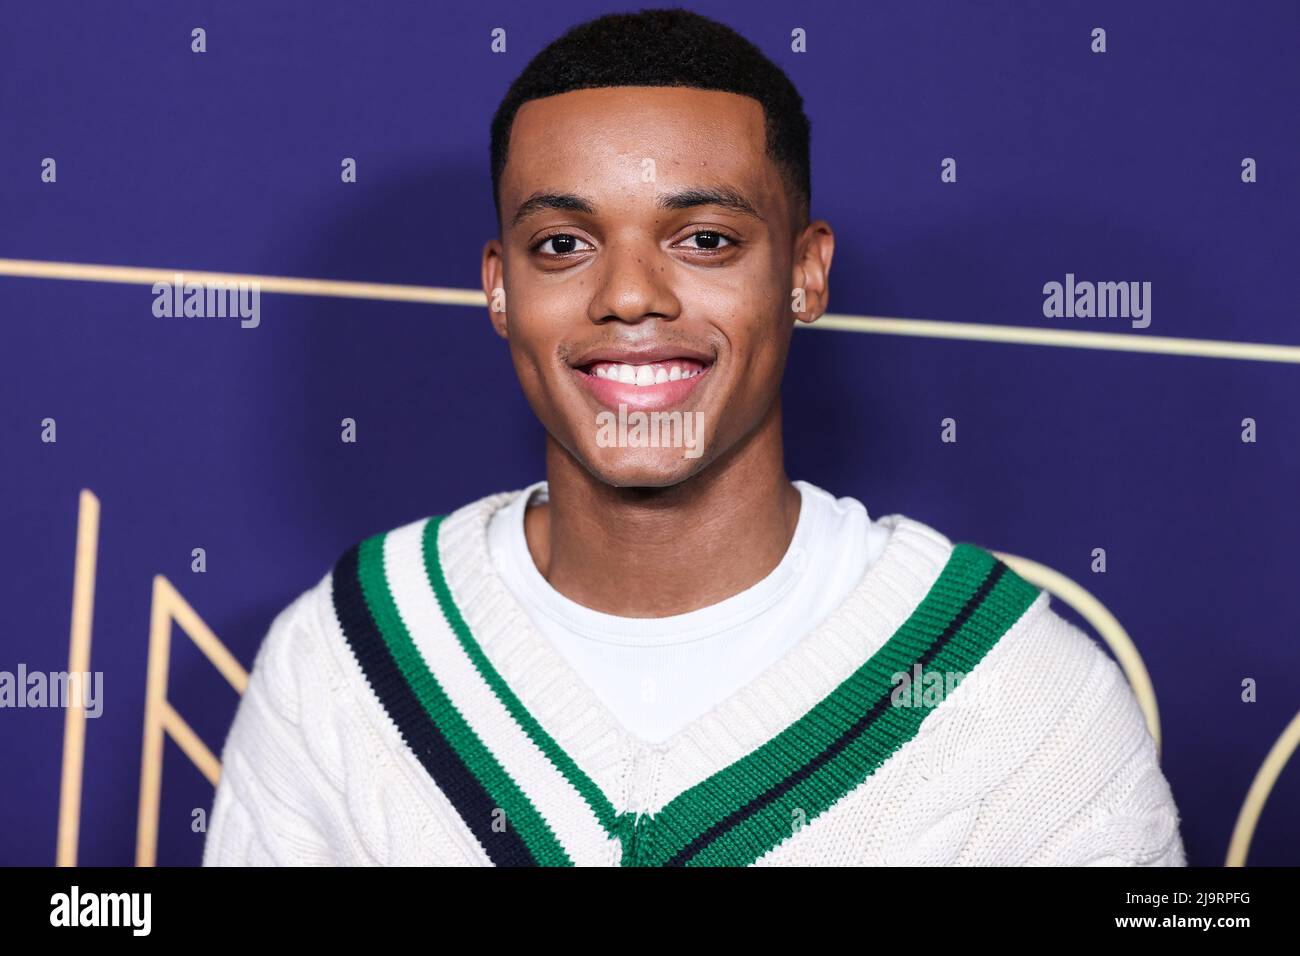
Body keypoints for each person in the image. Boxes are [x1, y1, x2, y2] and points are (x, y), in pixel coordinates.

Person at [203, 8, 1186, 866]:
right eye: (563, 245)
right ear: (499, 287)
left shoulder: (1024, 698)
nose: (629, 294)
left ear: (805, 272)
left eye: (705, 238)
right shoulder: (341, 660)